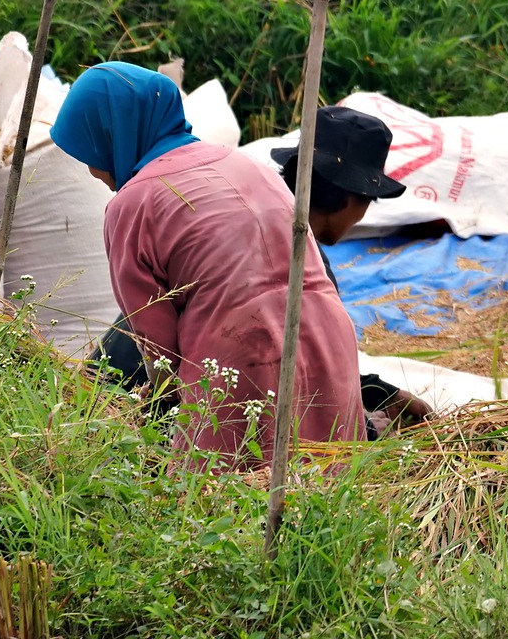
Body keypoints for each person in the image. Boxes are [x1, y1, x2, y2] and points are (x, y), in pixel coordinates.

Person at [52, 63, 365, 466]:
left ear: (112, 135)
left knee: (224, 497)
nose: (93, 171)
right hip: (330, 341)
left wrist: (154, 414)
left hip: (241, 358)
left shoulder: (132, 204)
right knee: (325, 484)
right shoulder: (248, 164)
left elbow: (159, 352)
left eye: (91, 153)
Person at [272, 105, 433, 433]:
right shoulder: (306, 268)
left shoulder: (262, 222)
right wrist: (365, 430)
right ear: (351, 198)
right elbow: (299, 371)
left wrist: (380, 393)